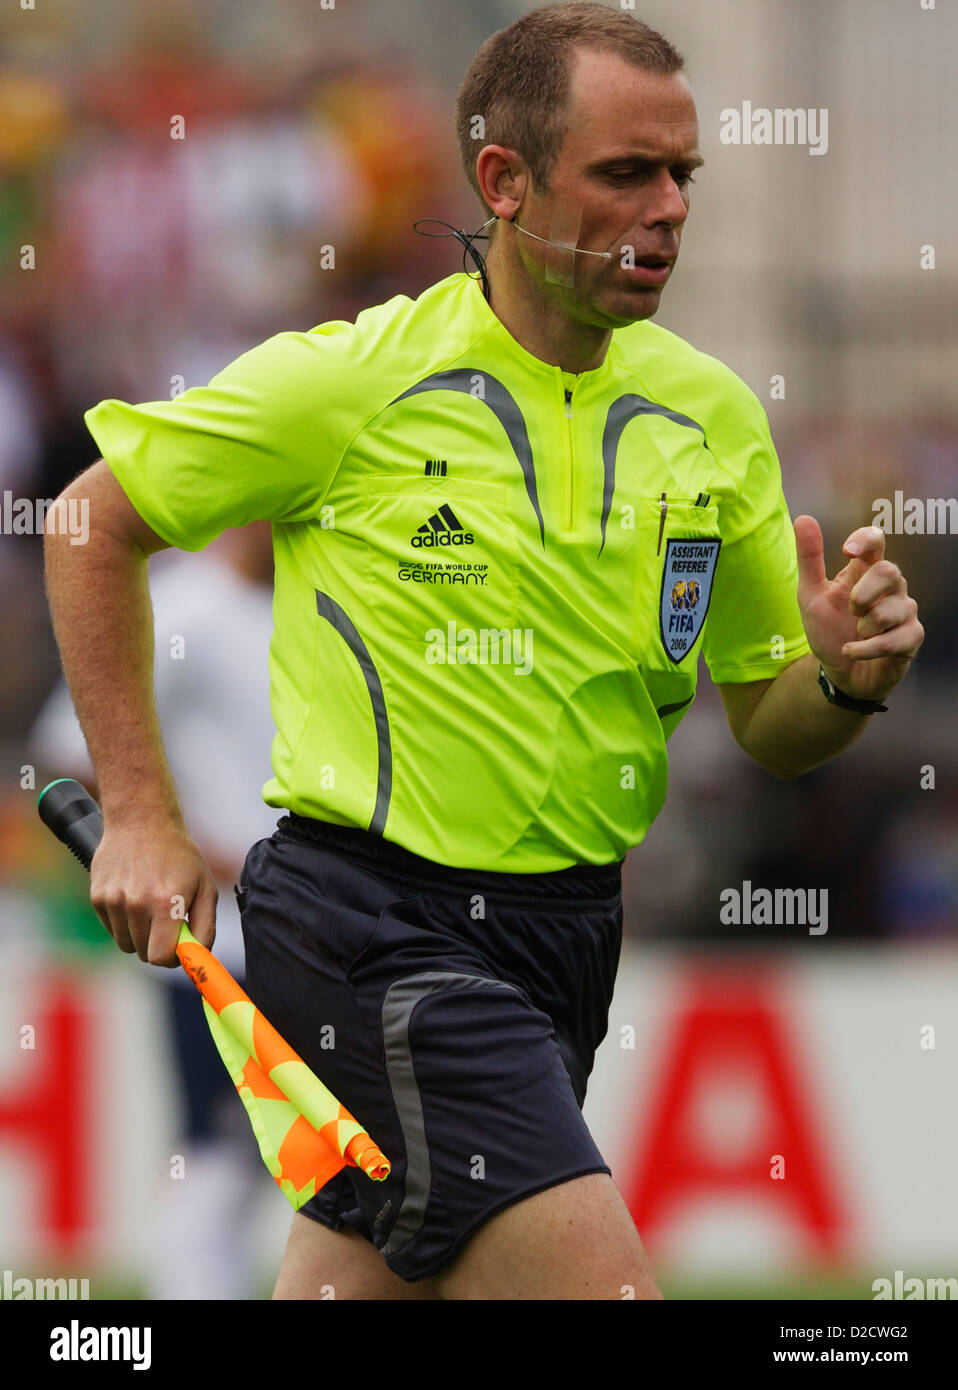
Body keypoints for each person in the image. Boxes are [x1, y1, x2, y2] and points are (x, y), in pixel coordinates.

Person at [43, 4, 923, 1301]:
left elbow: (767, 719)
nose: (668, 206)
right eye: (625, 173)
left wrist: (847, 677)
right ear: (502, 182)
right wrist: (137, 813)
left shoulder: (715, 417)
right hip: (371, 930)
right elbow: (87, 518)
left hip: (567, 938)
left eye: (682, 172)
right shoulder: (353, 382)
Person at [30, 523, 286, 1299]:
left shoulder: (314, 614)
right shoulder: (180, 610)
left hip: (317, 935)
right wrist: (165, 840)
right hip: (217, 942)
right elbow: (66, 760)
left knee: (288, 1159)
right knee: (218, 1153)